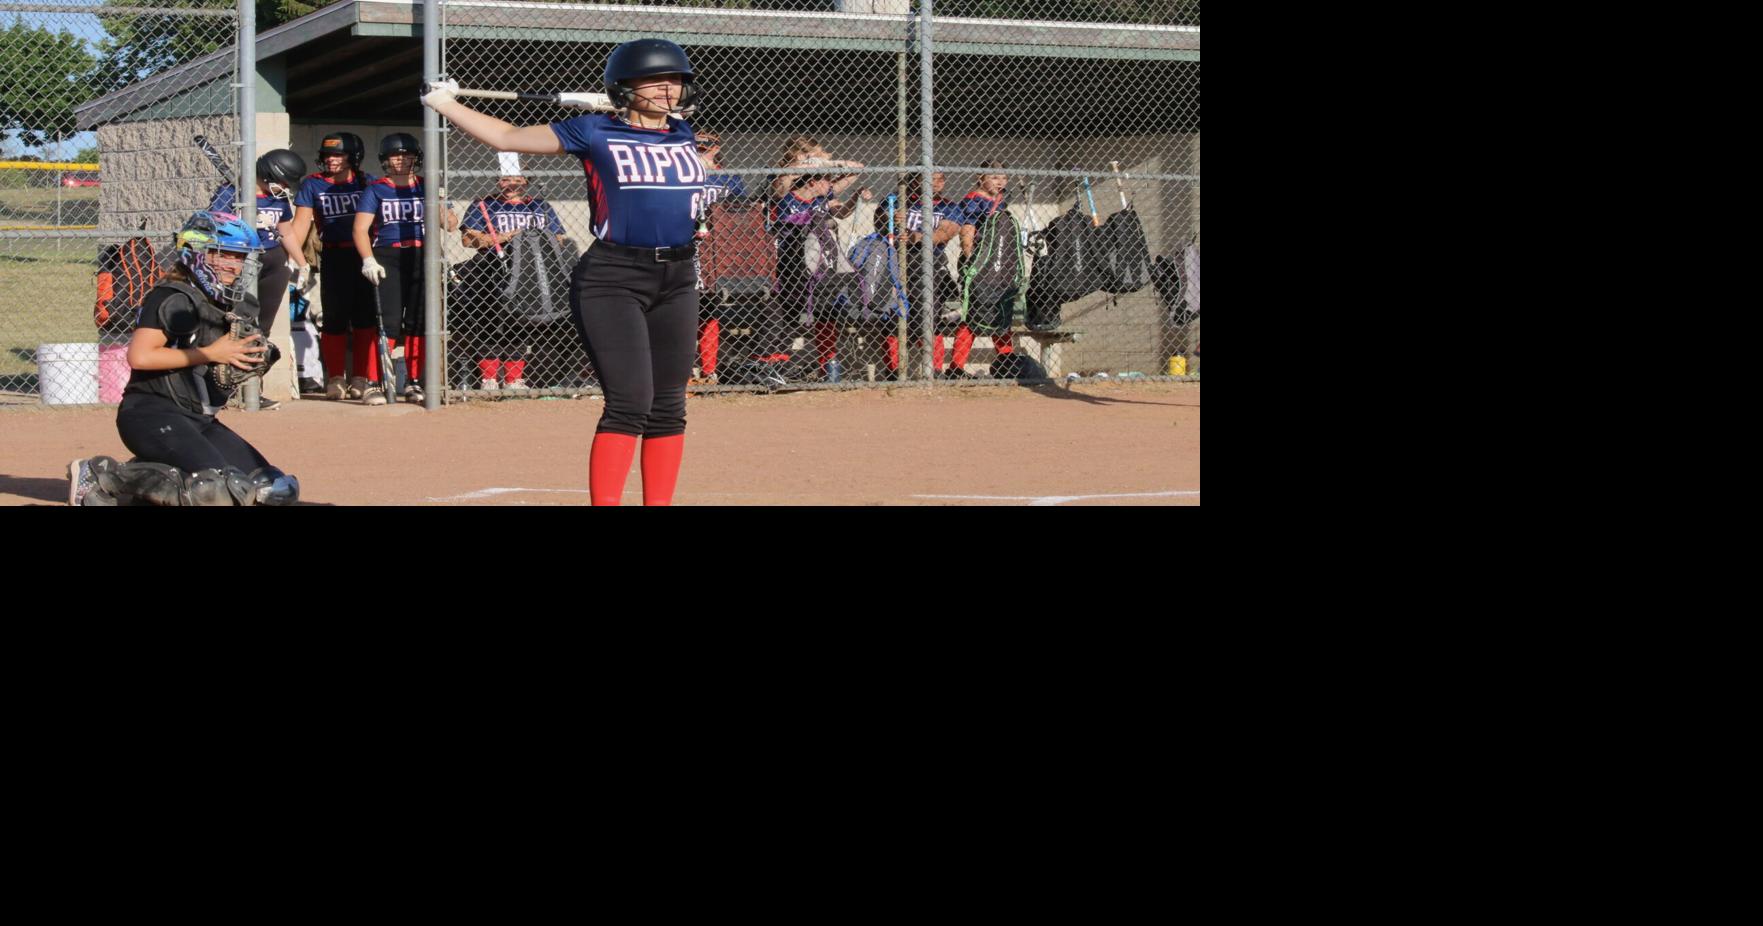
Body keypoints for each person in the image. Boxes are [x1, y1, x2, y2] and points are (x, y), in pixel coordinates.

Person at [422, 38, 704, 505]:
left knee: (670, 407)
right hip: (615, 276)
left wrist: (621, 108)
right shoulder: (593, 132)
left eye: (674, 80)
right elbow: (507, 137)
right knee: (631, 403)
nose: (668, 89)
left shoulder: (683, 135)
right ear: (625, 88)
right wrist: (447, 103)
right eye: (654, 80)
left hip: (678, 276)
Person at [67, 211, 300, 506]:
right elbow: (139, 356)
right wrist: (210, 354)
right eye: (226, 254)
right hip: (150, 415)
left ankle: (158, 474)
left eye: (240, 257)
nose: (236, 264)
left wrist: (253, 357)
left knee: (273, 489)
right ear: (197, 252)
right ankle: (103, 475)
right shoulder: (172, 297)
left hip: (199, 421)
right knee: (215, 491)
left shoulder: (226, 304)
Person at [353, 132, 457, 404]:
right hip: (388, 255)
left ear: (416, 158)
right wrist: (368, 259)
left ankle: (413, 381)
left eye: (407, 155)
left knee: (418, 322)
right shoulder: (377, 188)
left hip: (423, 254)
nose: (401, 160)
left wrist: (439, 198)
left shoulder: (427, 185)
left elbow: (451, 224)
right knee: (386, 321)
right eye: (395, 156)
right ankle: (374, 382)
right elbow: (360, 229)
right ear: (386, 160)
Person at [207, 148, 312, 408]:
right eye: (283, 181)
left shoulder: (277, 199)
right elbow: (214, 225)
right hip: (240, 262)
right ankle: (221, 389)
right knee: (232, 325)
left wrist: (302, 263)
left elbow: (285, 232)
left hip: (273, 262)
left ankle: (252, 390)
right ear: (267, 174)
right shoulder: (232, 193)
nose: (285, 188)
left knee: (260, 329)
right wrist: (244, 216)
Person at [458, 152, 568, 391]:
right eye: (504, 179)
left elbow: (558, 238)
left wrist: (533, 240)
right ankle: (489, 379)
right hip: (492, 268)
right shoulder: (485, 204)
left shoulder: (540, 206)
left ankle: (514, 379)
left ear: (525, 180)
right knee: (488, 322)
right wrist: (502, 237)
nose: (508, 184)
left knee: (519, 322)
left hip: (528, 271)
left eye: (514, 178)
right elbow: (468, 239)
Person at [288, 132, 377, 402]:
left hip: (366, 256)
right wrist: (293, 260)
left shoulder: (367, 182)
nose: (332, 160)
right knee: (334, 318)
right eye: (328, 155)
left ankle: (361, 377)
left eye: (339, 155)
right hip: (334, 255)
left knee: (365, 319)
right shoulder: (313, 184)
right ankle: (336, 378)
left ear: (354, 157)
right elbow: (301, 224)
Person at [691, 128, 746, 385]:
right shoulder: (682, 170)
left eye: (707, 145)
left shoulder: (729, 176)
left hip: (717, 250)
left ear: (717, 147)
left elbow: (740, 212)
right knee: (683, 305)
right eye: (697, 144)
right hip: (686, 243)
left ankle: (709, 369)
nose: (702, 149)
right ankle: (685, 368)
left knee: (709, 306)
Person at [953, 162, 1017, 378]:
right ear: (981, 178)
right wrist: (972, 259)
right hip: (980, 265)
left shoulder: (999, 201)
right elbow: (967, 229)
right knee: (973, 313)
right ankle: (956, 367)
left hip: (998, 265)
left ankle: (1007, 362)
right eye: (994, 177)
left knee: (1000, 311)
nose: (1000, 182)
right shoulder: (974, 200)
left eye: (1003, 178)